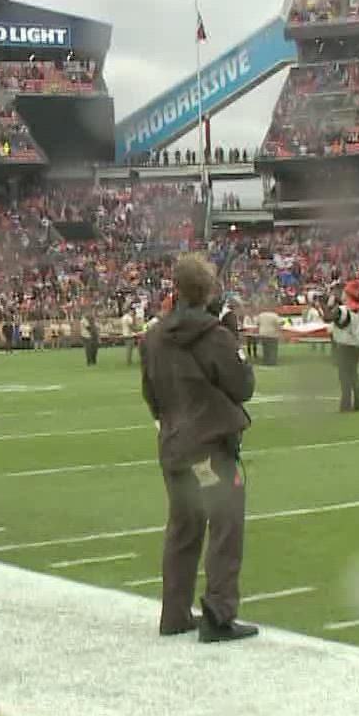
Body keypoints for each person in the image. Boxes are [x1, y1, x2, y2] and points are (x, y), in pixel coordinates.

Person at [140, 254, 257, 643]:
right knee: (225, 524)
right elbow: (243, 387)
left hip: (172, 444)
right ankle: (219, 614)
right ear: (208, 291)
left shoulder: (154, 335)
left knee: (183, 528)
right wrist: (231, 338)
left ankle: (174, 613)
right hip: (209, 446)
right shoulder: (213, 335)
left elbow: (151, 394)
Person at [326, 285, 359, 413]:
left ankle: (346, 404)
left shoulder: (343, 310)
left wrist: (330, 304)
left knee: (344, 377)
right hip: (356, 345)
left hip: (344, 346)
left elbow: (328, 317)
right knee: (354, 375)